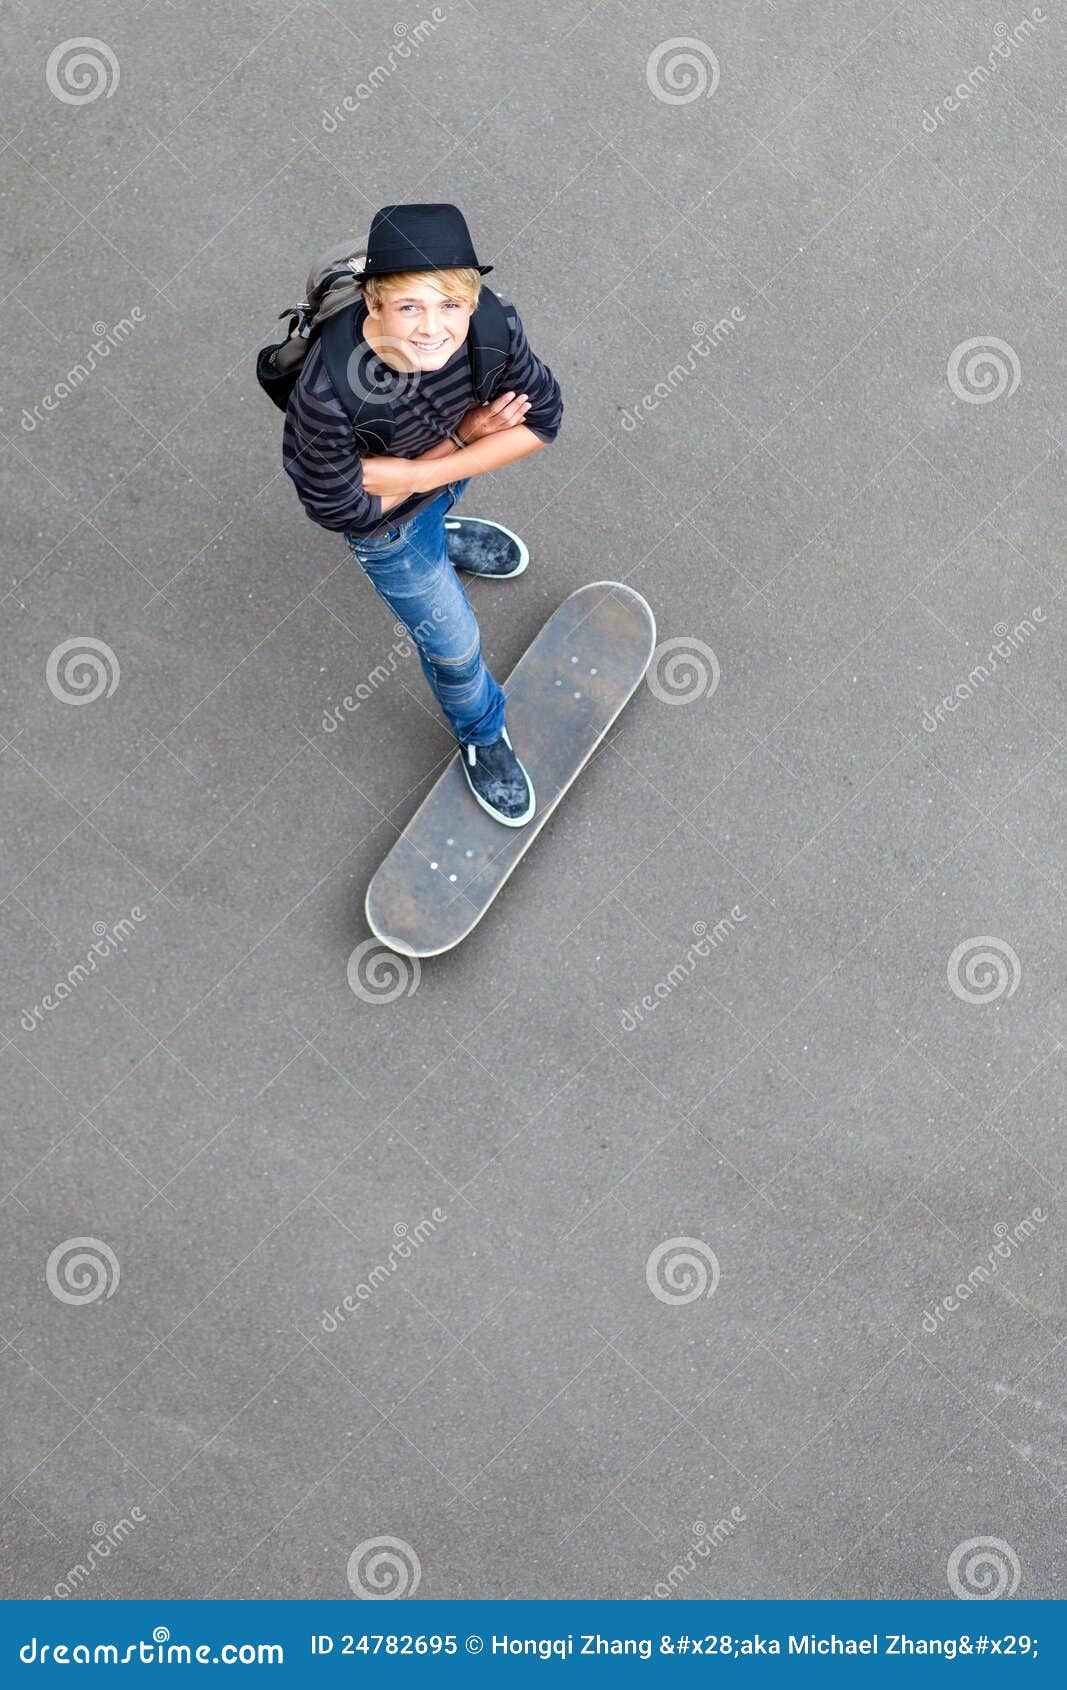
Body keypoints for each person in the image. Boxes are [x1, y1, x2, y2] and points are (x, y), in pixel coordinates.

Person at [282, 203, 563, 826]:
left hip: (439, 475)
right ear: (372, 302)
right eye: (410, 307)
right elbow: (347, 511)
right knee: (456, 650)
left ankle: (443, 532)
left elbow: (543, 420)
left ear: (472, 301)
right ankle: (482, 732)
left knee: (437, 506)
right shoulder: (326, 397)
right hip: (391, 533)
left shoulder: (491, 326)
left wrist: (425, 470)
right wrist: (467, 441)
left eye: (450, 306)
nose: (433, 329)